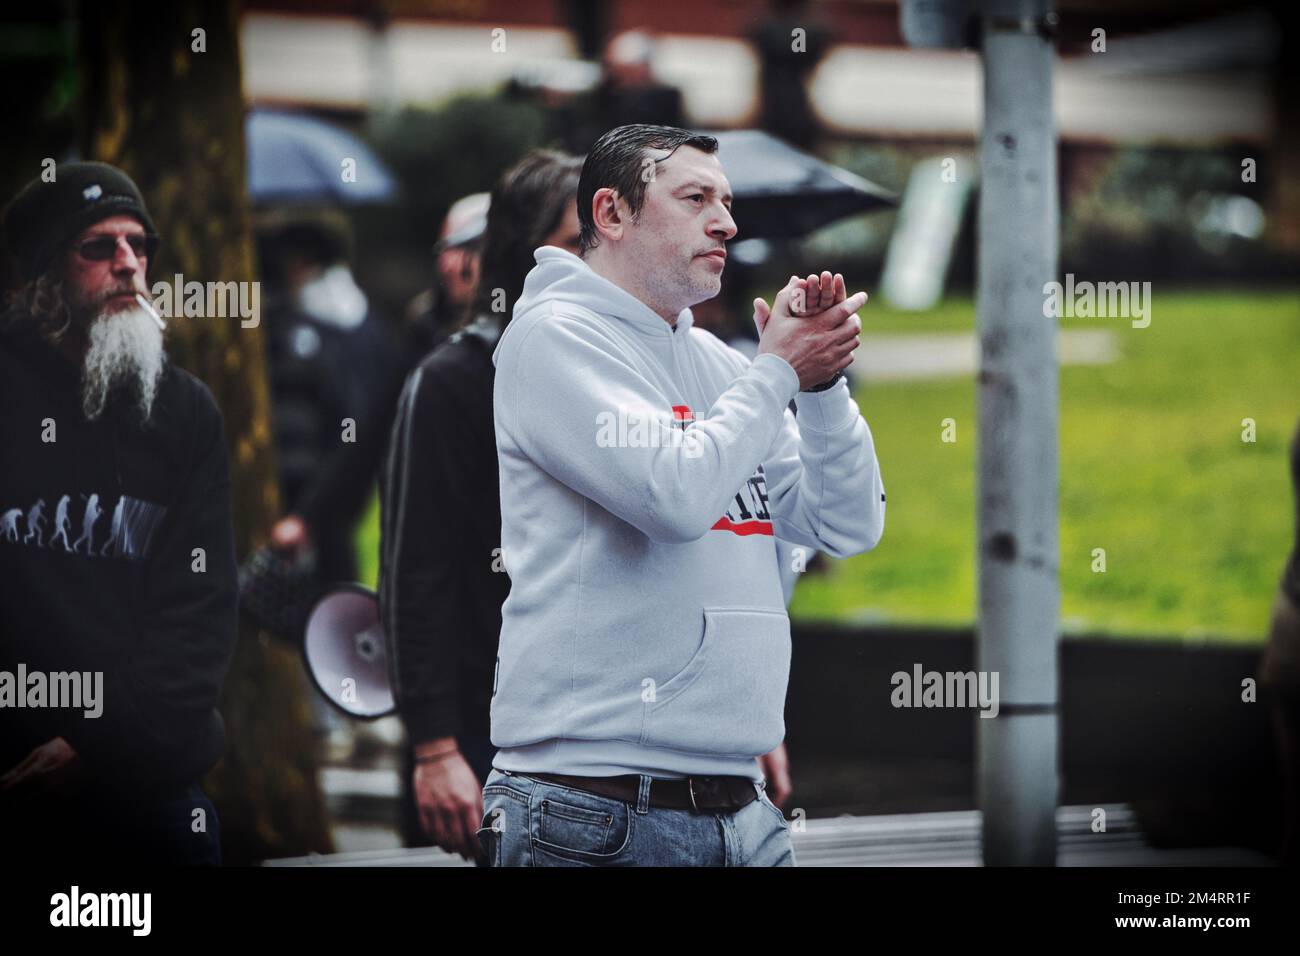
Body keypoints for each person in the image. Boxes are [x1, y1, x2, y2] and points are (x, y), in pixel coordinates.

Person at [480, 125, 885, 866]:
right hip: (591, 809)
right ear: (611, 214)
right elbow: (674, 496)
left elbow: (847, 524)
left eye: (726, 201)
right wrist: (775, 374)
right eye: (696, 198)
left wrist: (819, 388)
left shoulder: (720, 365)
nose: (727, 222)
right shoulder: (552, 339)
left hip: (743, 808)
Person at [0, 161, 238, 864]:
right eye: (98, 247)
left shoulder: (184, 410)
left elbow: (200, 616)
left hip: (151, 786)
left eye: (140, 246)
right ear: (42, 277)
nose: (129, 264)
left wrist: (99, 746)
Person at [381, 151, 583, 859]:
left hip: (600, 728)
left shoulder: (624, 376)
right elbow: (415, 570)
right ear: (521, 250)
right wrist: (436, 748)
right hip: (484, 720)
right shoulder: (457, 377)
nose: (595, 260)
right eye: (574, 240)